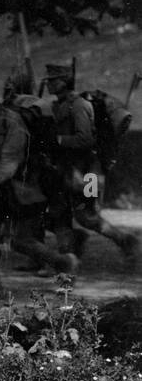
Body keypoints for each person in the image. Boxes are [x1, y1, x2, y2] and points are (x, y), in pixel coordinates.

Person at [0, 81, 77, 297]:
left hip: (21, 189)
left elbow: (12, 158)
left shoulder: (11, 120)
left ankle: (63, 262)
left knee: (22, 241)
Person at [42, 63, 138, 269]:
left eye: (53, 80)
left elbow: (85, 139)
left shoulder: (79, 106)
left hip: (90, 172)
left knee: (87, 216)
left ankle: (124, 240)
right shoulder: (59, 105)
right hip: (70, 170)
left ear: (64, 82)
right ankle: (71, 252)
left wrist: (58, 140)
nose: (48, 84)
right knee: (61, 213)